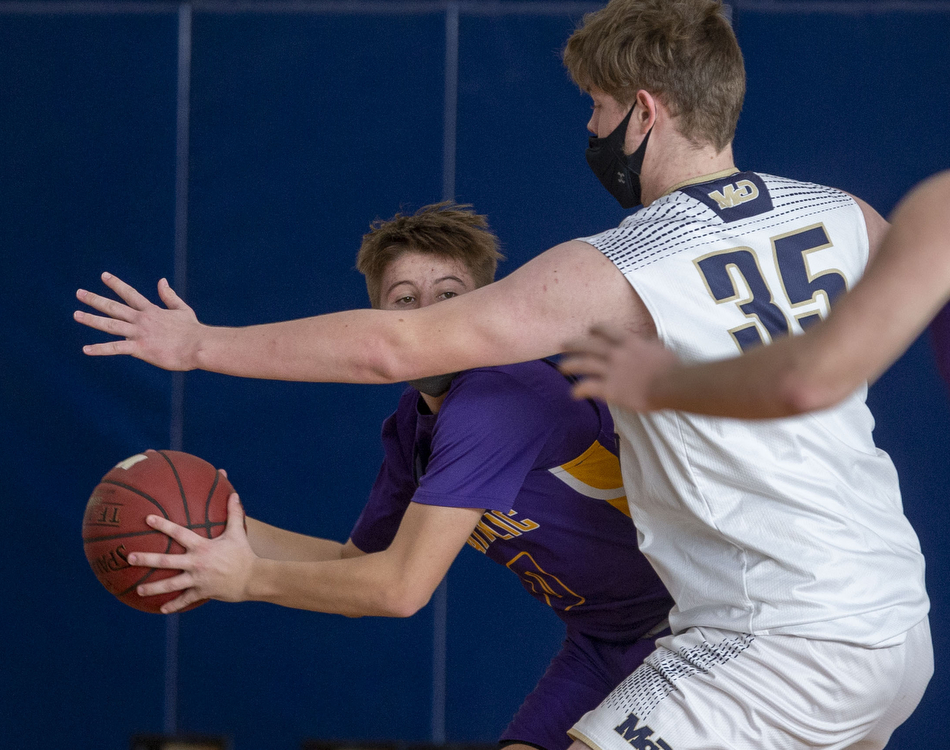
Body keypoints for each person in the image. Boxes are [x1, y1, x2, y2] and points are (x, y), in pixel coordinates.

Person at [74, 1, 932, 748]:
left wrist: (198, 346)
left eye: (595, 109)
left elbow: (394, 350)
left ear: (643, 112)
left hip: (770, 634)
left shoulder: (621, 265)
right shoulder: (843, 213)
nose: (590, 133)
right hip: (894, 618)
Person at [126, 203, 674, 750]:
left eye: (449, 297)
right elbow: (359, 566)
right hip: (602, 640)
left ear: (487, 304)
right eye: (406, 301)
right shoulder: (414, 428)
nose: (428, 317)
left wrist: (247, 581)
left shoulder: (501, 397)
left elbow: (399, 589)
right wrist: (218, 530)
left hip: (690, 626)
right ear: (381, 320)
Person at [562, 170, 950, 416]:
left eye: (598, 104)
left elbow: (806, 382)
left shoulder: (939, 208)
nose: (593, 123)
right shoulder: (897, 215)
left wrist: (657, 382)